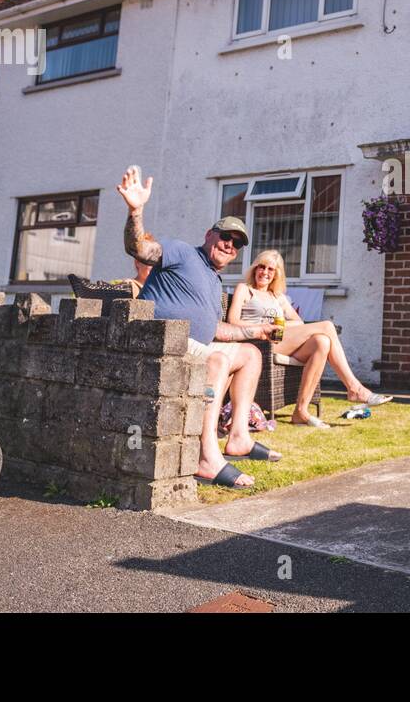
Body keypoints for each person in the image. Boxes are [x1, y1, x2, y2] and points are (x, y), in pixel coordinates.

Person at [118, 165, 280, 489]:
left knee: (250, 355)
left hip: (195, 343)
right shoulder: (181, 252)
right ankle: (206, 456)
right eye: (225, 237)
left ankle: (239, 438)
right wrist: (136, 211)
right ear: (209, 235)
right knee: (217, 360)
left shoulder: (213, 279)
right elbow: (139, 249)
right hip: (161, 340)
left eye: (236, 244)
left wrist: (257, 331)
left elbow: (217, 330)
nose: (230, 245)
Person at [227, 249, 391, 429]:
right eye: (261, 267)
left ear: (276, 274)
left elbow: (298, 323)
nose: (265, 272)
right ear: (254, 268)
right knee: (327, 326)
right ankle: (354, 388)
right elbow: (232, 321)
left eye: (270, 270)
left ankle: (301, 411)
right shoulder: (245, 289)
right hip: (257, 342)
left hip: (278, 340)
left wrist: (279, 326)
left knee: (322, 341)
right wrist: (263, 327)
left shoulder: (277, 296)